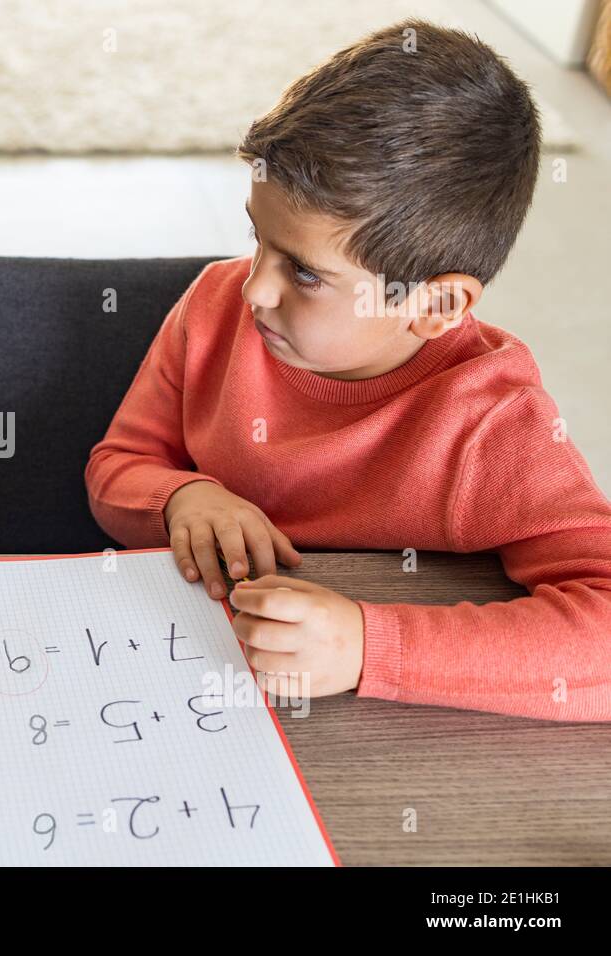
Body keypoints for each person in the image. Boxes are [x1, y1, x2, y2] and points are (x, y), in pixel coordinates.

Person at [86, 19, 611, 720]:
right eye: (256, 237)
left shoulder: (492, 423)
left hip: (379, 742)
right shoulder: (212, 309)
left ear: (436, 305)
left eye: (303, 272)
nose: (253, 290)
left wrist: (371, 645)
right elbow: (119, 463)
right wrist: (182, 497)